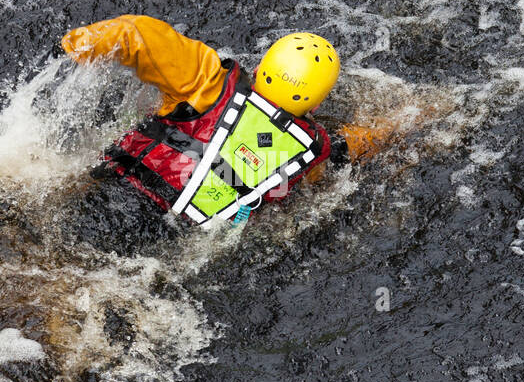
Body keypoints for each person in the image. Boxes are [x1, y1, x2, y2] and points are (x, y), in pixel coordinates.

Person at [61, 15, 388, 225]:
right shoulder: (310, 157)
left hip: (107, 196)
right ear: (315, 106)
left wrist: (77, 46)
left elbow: (138, 34)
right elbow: (365, 142)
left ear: (261, 69)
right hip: (172, 235)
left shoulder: (207, 83)